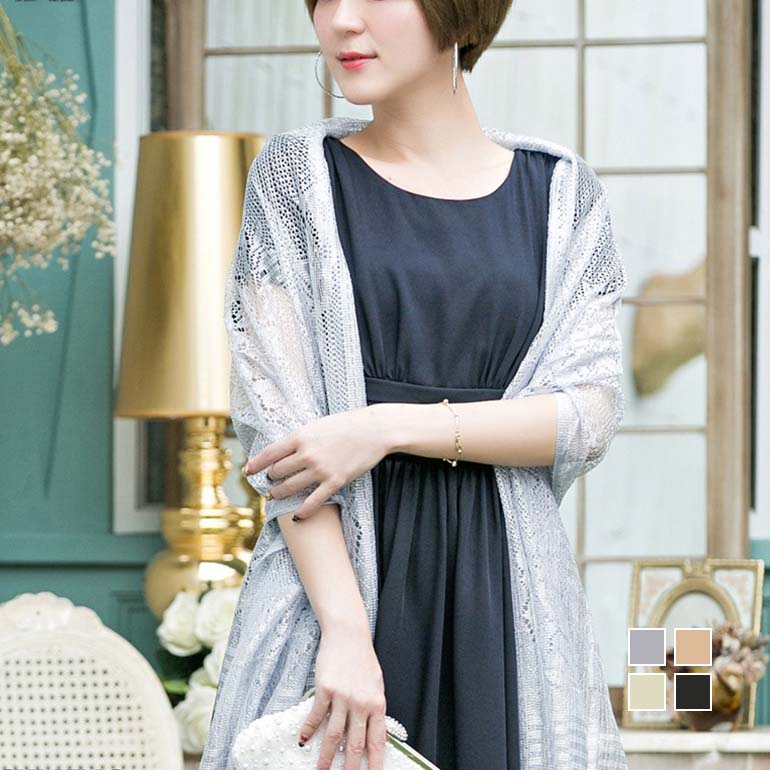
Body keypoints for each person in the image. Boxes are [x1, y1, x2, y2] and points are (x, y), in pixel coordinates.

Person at [200, 1, 629, 769]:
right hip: (338, 594)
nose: (341, 21)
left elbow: (587, 414)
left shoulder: (562, 192)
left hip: (501, 593)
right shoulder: (297, 178)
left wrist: (386, 426)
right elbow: (281, 436)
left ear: (458, 11)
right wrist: (344, 634)